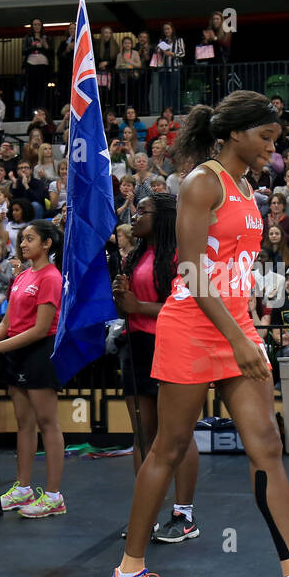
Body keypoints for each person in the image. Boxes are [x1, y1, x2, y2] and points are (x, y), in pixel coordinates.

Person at [107, 91, 289, 577]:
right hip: (191, 326)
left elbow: (232, 271)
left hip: (234, 322)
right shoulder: (202, 182)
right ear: (236, 135)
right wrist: (240, 337)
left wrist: (245, 329)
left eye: (275, 138)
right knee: (169, 448)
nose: (274, 147)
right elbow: (194, 273)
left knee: (267, 443)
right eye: (266, 137)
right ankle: (127, 576)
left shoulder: (246, 184)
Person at [111, 193, 201, 543]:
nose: (134, 216)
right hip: (136, 345)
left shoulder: (180, 255)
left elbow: (190, 308)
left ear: (162, 218)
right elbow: (129, 308)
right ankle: (146, 512)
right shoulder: (136, 256)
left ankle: (184, 515)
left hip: (173, 345)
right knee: (144, 436)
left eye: (142, 211)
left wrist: (139, 305)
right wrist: (124, 301)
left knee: (176, 434)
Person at [0, 221, 66, 517]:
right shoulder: (22, 276)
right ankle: (23, 489)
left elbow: (39, 330)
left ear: (47, 244)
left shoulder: (51, 277)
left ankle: (53, 496)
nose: (23, 244)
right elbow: (6, 323)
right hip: (16, 352)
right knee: (24, 423)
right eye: (22, 239)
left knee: (47, 423)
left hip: (39, 352)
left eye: (30, 239)